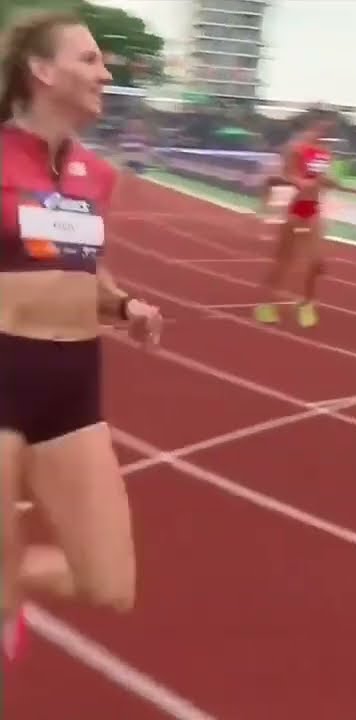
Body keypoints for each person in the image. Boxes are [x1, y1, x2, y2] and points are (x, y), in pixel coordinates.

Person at [0, 9, 164, 663]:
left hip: (73, 386)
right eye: (90, 59)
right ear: (42, 72)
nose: (107, 70)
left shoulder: (95, 175)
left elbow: (80, 261)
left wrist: (124, 305)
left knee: (109, 584)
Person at [253, 112, 338, 328]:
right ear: (311, 126)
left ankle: (307, 303)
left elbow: (317, 177)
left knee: (316, 261)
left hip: (313, 208)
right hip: (295, 208)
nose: (326, 132)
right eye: (322, 127)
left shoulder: (322, 152)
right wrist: (298, 181)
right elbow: (285, 175)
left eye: (327, 129)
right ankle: (266, 303)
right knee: (284, 261)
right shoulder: (295, 148)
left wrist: (330, 182)